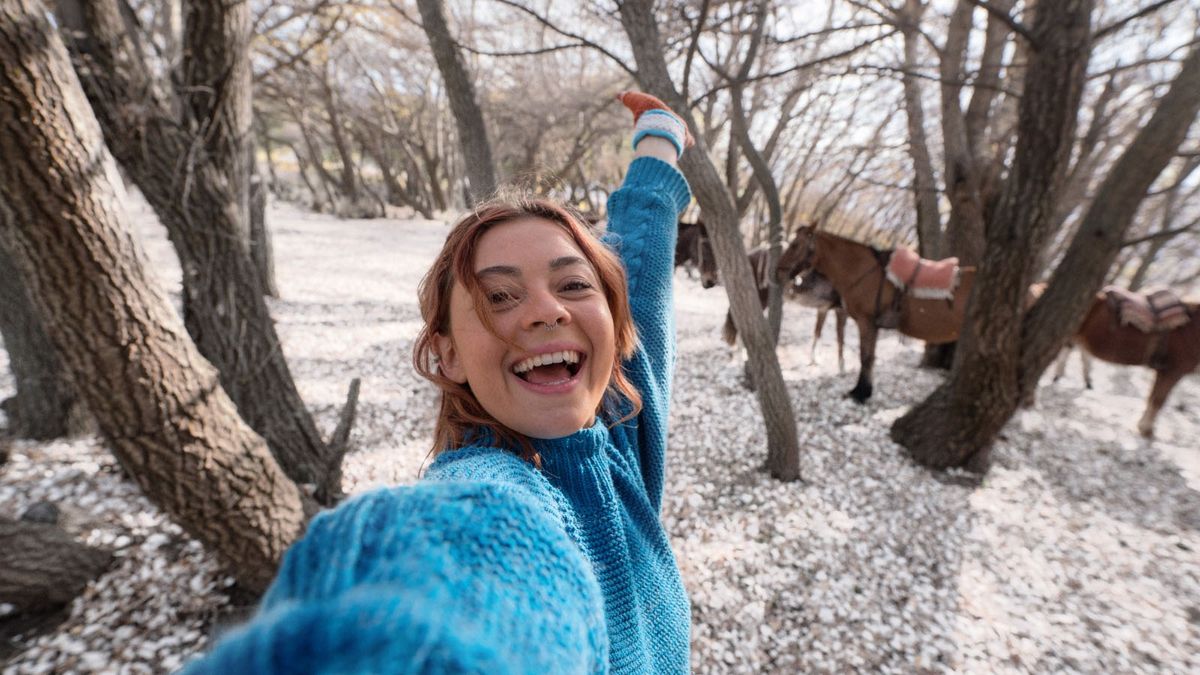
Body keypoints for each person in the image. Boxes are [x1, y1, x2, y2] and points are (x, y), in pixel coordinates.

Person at [183, 92, 695, 674]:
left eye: (574, 285)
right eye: (500, 297)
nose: (547, 311)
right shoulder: (492, 490)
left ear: (615, 323)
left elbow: (643, 260)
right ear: (447, 355)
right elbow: (465, 566)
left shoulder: (622, 422)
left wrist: (659, 135)